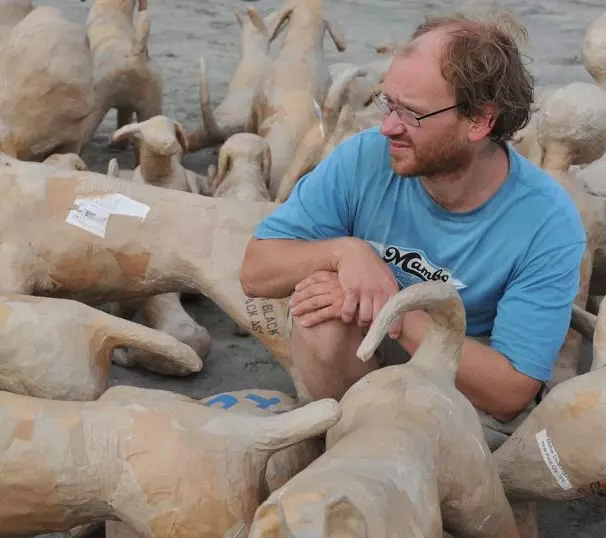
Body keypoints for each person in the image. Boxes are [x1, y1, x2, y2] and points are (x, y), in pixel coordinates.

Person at [239, 10, 587, 450]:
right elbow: (255, 270)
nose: (388, 126)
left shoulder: (546, 221)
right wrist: (343, 253)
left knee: (341, 299)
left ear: (479, 121)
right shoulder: (365, 158)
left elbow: (510, 391)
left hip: (459, 384)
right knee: (321, 312)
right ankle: (352, 441)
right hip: (359, 364)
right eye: (388, 102)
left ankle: (385, 458)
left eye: (412, 113)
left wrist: (393, 309)